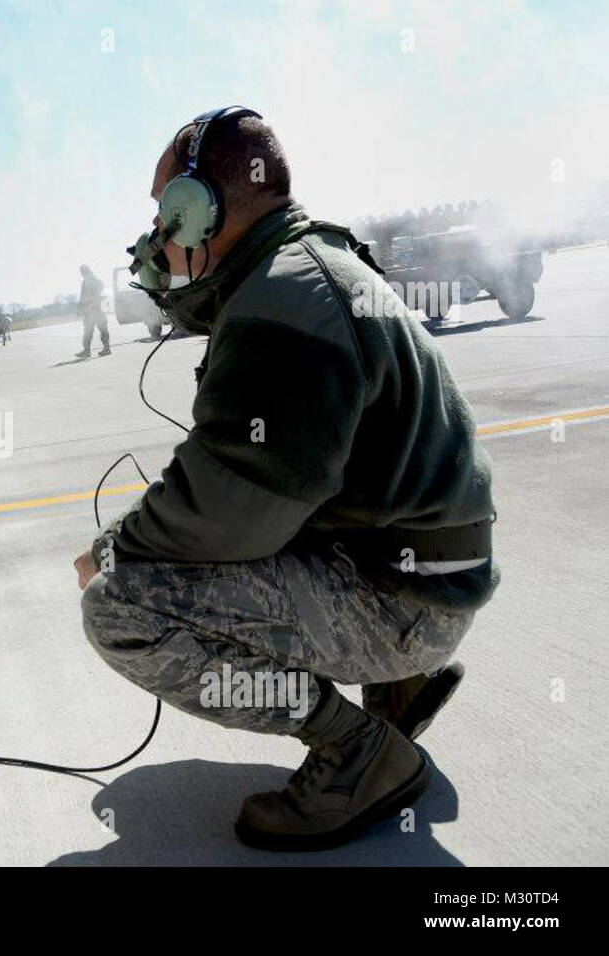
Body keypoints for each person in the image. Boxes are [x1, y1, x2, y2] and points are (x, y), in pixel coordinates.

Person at [74, 107, 497, 850]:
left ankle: (358, 751)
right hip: (424, 573)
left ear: (195, 209)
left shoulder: (282, 301)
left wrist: (114, 547)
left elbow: (232, 506)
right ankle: (398, 689)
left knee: (120, 603)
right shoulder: (310, 268)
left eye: (163, 210)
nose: (157, 231)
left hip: (406, 603)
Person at [75, 265, 109, 358]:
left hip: (93, 310)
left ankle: (88, 351)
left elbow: (83, 296)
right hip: (96, 309)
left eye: (82, 272)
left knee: (90, 330)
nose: (81, 274)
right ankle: (105, 349)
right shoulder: (95, 280)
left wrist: (80, 309)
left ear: (84, 272)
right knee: (100, 329)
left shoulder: (88, 281)